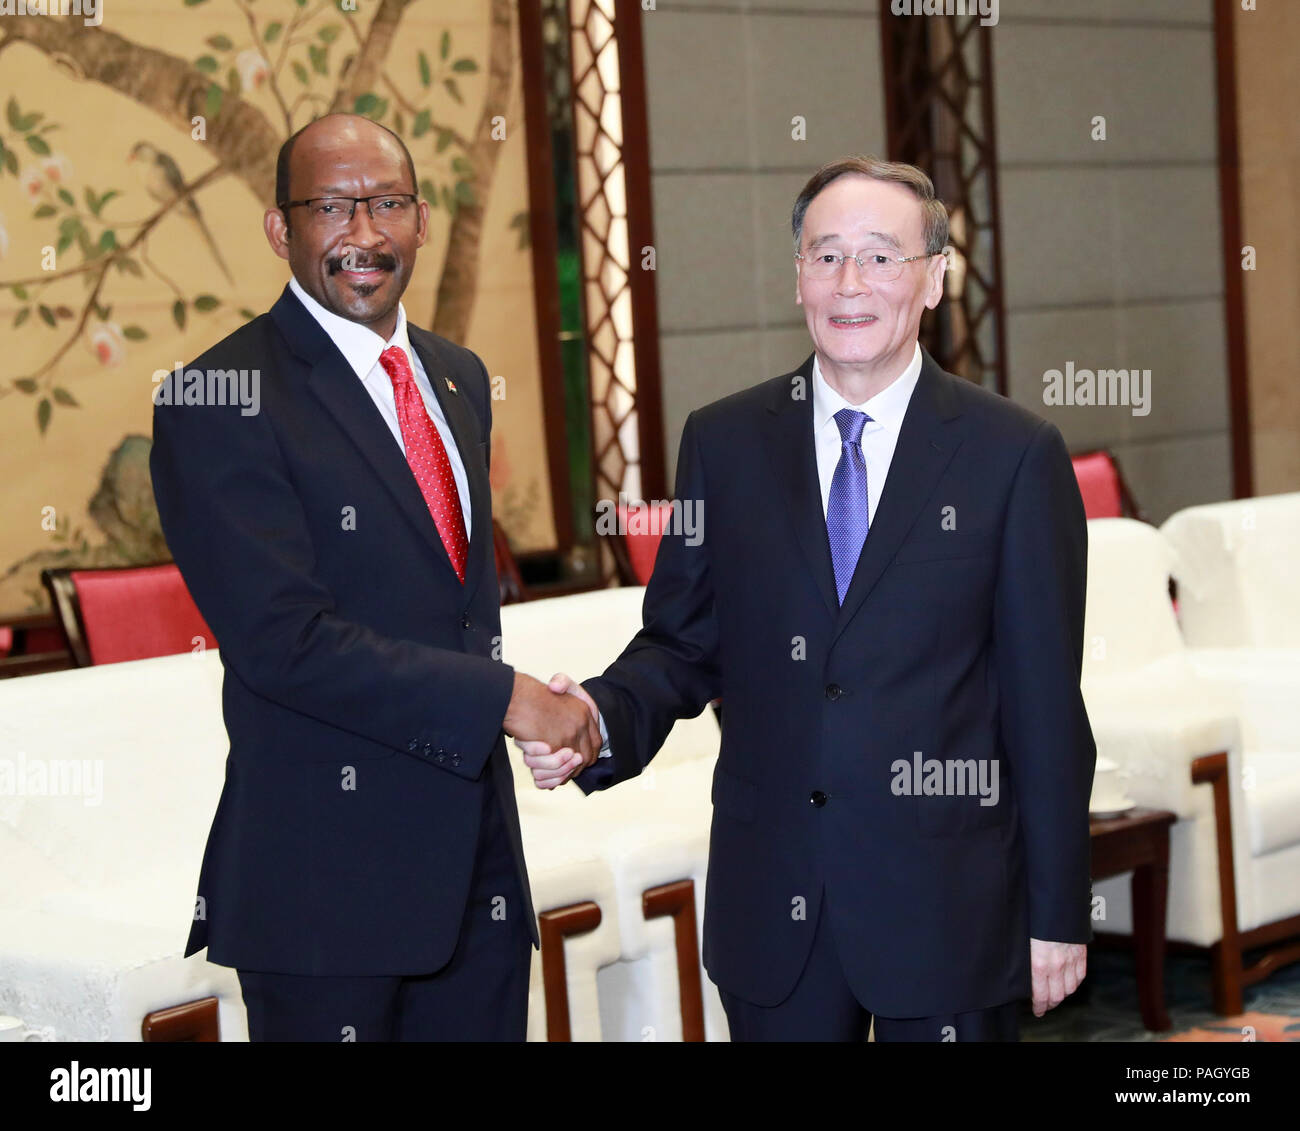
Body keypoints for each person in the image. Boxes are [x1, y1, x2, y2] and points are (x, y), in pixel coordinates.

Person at [520, 156, 1096, 1042]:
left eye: (880, 256)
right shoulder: (725, 442)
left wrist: (1056, 909)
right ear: (798, 279)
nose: (851, 283)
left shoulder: (1012, 456)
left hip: (947, 908)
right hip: (773, 903)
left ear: (934, 278)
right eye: (826, 257)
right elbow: (681, 643)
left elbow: (1047, 708)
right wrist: (596, 715)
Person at [150, 113, 600, 1041]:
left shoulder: (458, 378)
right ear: (283, 230)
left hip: (478, 878)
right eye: (333, 206)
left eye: (388, 203)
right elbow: (285, 644)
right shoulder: (219, 398)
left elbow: (451, 606)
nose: (366, 232)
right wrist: (506, 701)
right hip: (327, 893)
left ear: (423, 221)